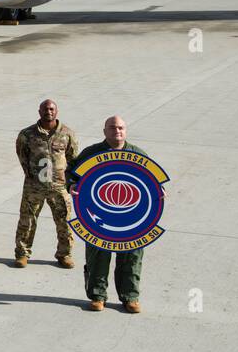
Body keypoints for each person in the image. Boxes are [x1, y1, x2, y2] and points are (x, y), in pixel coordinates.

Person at [68, 115, 149, 313]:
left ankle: (130, 297)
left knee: (131, 257)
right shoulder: (92, 153)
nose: (117, 131)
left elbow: (152, 182)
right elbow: (71, 173)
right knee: (98, 256)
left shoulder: (137, 155)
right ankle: (97, 295)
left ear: (126, 130)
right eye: (112, 128)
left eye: (121, 127)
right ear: (105, 131)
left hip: (130, 218)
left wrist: (159, 192)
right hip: (99, 216)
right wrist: (71, 185)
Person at [13, 99, 79, 269]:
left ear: (56, 111)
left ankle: (64, 254)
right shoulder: (27, 134)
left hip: (59, 186)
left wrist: (69, 180)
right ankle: (22, 254)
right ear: (39, 111)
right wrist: (31, 175)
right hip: (34, 186)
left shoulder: (67, 133)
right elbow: (22, 156)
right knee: (27, 221)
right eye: (45, 109)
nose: (48, 111)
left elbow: (73, 158)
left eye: (51, 109)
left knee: (64, 221)